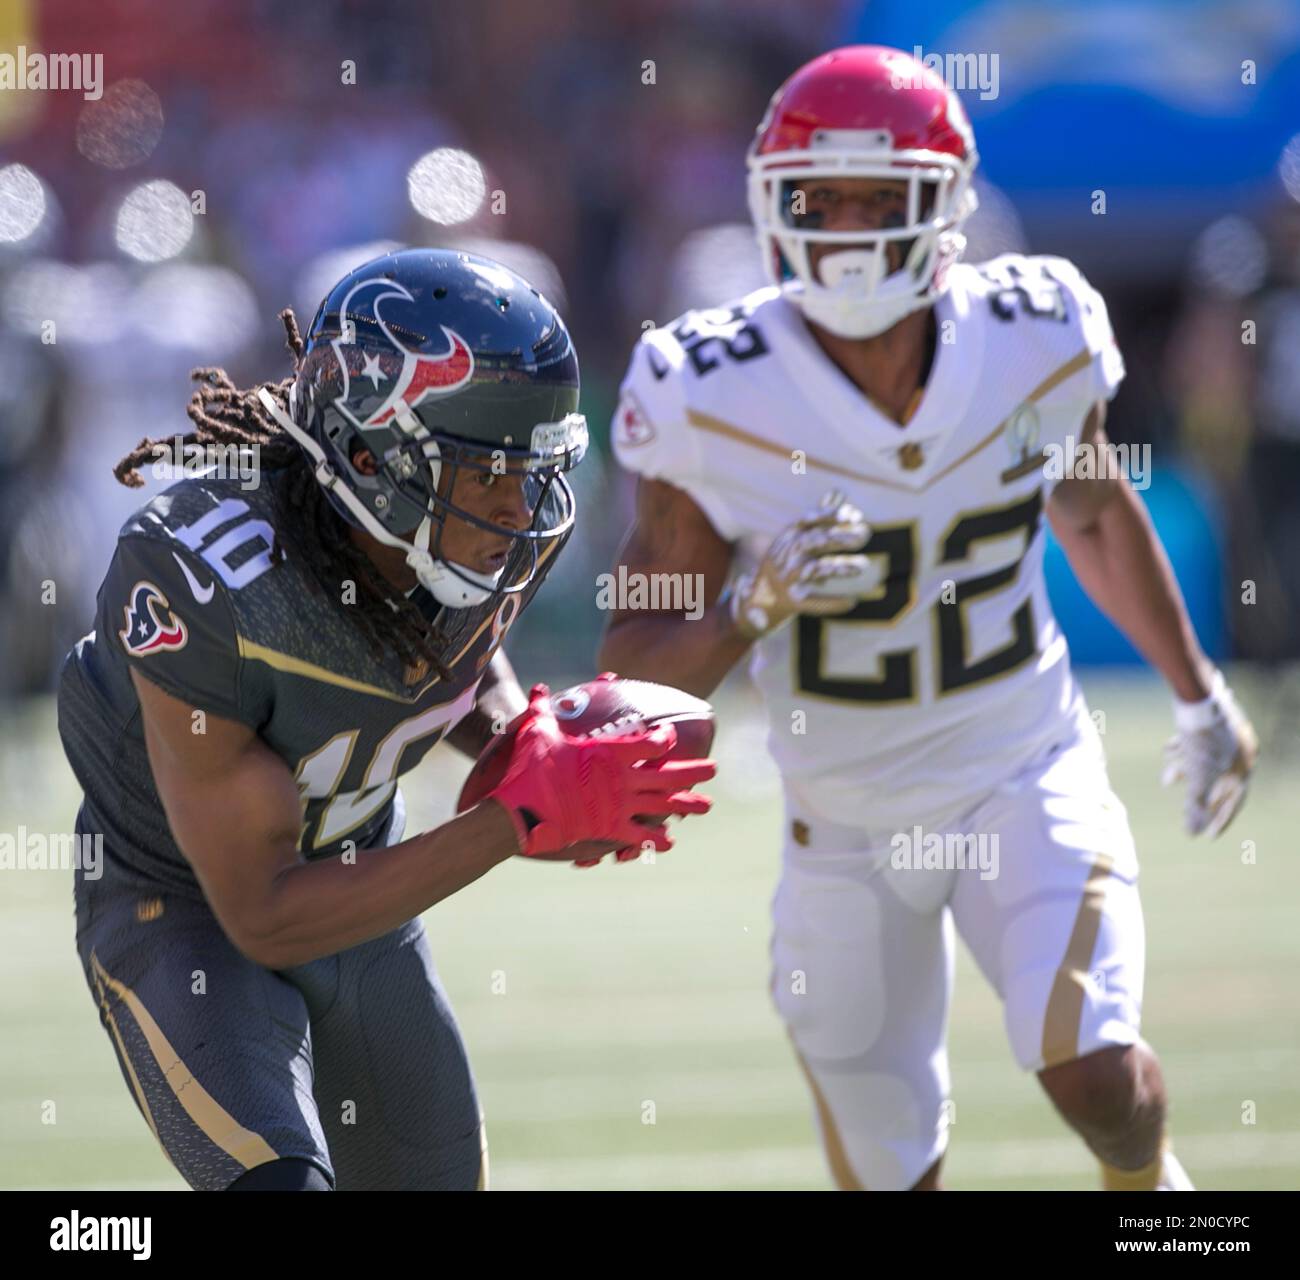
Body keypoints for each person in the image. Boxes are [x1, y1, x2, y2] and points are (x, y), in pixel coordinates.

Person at [598, 46, 1256, 1191]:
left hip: (1019, 766)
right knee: (894, 1170)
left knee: (1096, 1076)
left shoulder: (1033, 329)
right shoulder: (705, 385)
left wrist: (1198, 689)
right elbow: (636, 657)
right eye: (818, 198)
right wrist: (748, 608)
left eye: (879, 197)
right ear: (769, 204)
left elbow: (1094, 515)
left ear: (943, 207)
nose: (846, 228)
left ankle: (1154, 1198)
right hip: (838, 819)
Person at [57, 247, 716, 1191]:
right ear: (370, 457)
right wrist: (512, 819)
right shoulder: (207, 585)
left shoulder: (473, 530)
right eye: (489, 470)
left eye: (535, 466)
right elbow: (267, 914)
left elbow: (442, 636)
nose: (520, 502)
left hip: (362, 872)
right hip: (184, 907)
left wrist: (515, 735)